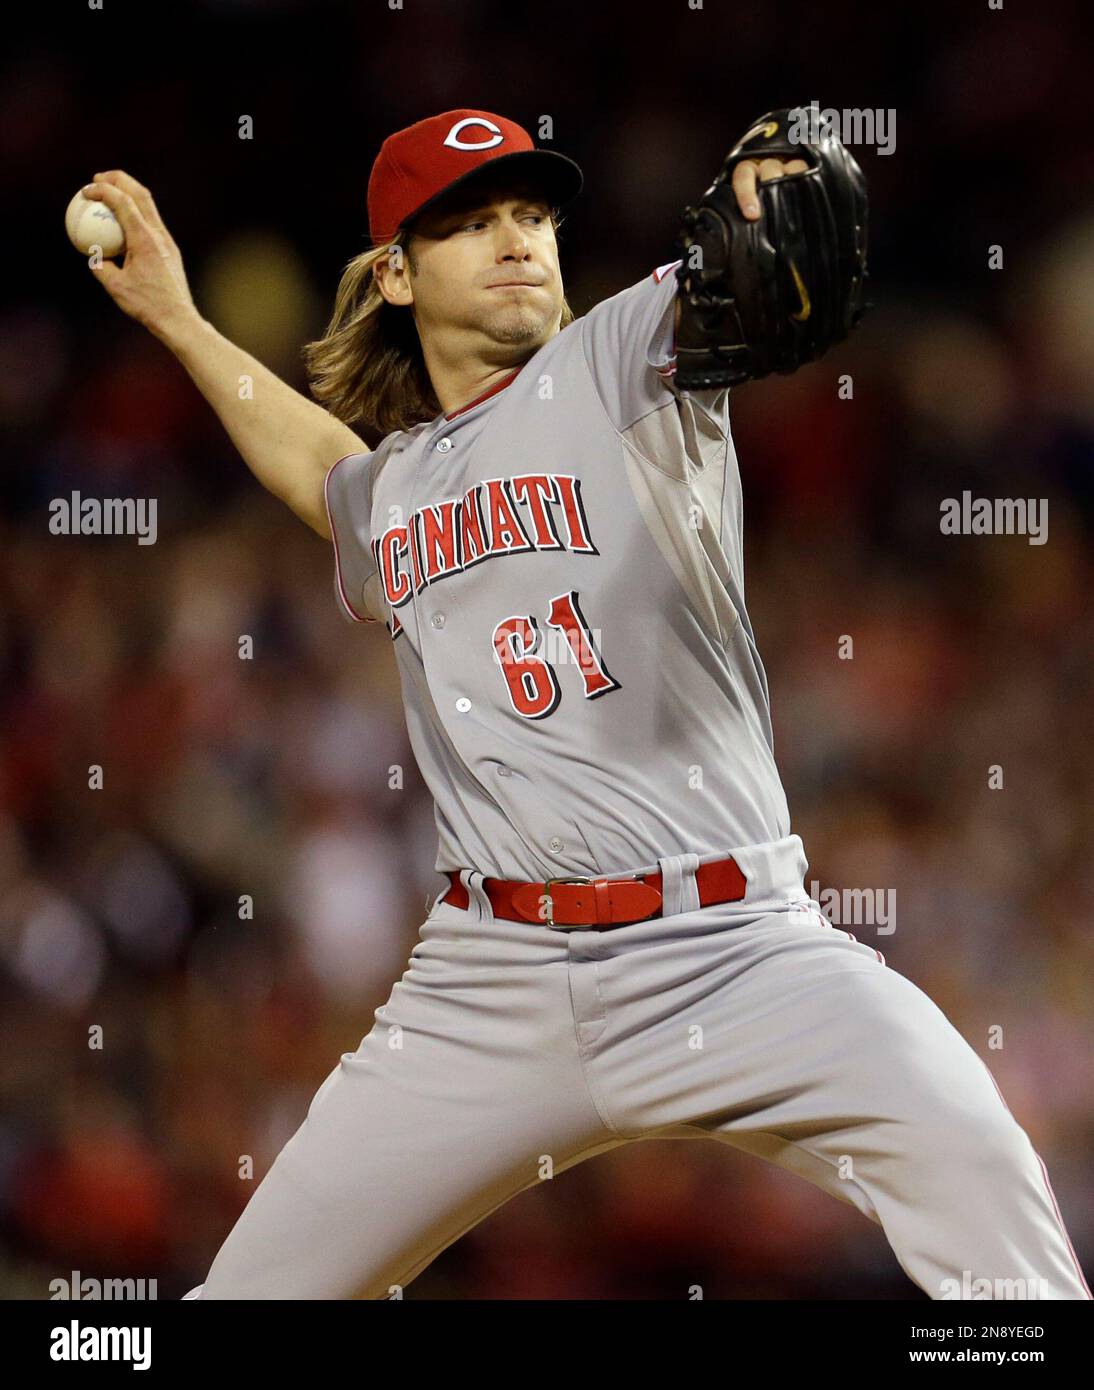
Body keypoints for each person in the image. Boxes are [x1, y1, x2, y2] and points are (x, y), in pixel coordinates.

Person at [84, 108, 1091, 1301]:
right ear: (396, 273)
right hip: (488, 979)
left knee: (980, 1172)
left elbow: (732, 284)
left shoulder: (622, 355)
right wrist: (178, 321)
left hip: (732, 948)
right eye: (470, 223)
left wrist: (765, 189)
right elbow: (317, 467)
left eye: (530, 216)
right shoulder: (396, 489)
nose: (516, 242)